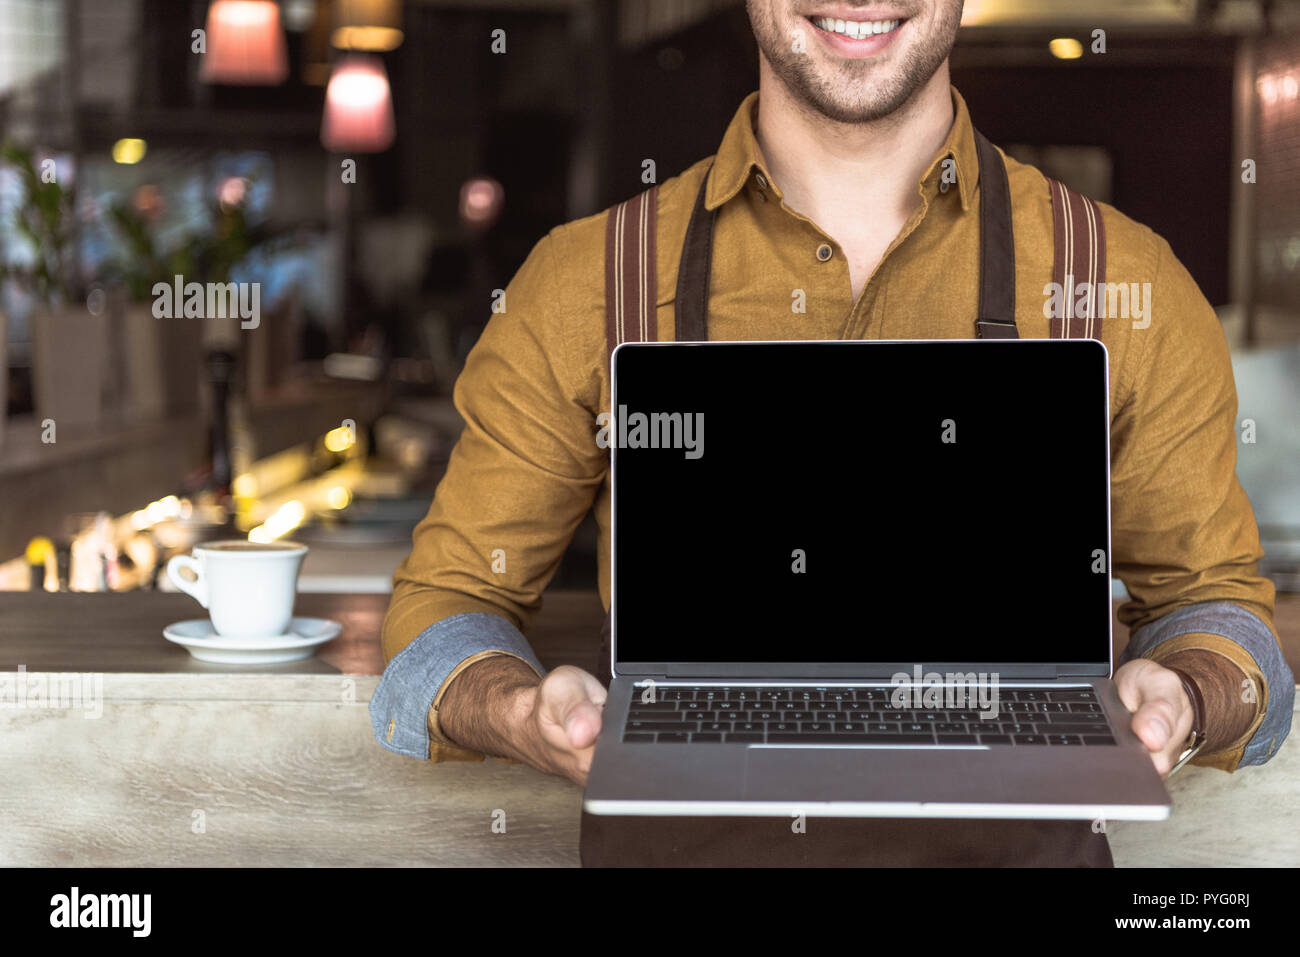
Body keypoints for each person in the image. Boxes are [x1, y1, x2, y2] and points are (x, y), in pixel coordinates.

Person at [369, 0, 1293, 864]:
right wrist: (522, 711)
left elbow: (1220, 618)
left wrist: (1189, 691)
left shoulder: (1123, 280)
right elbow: (438, 621)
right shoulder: (587, 282)